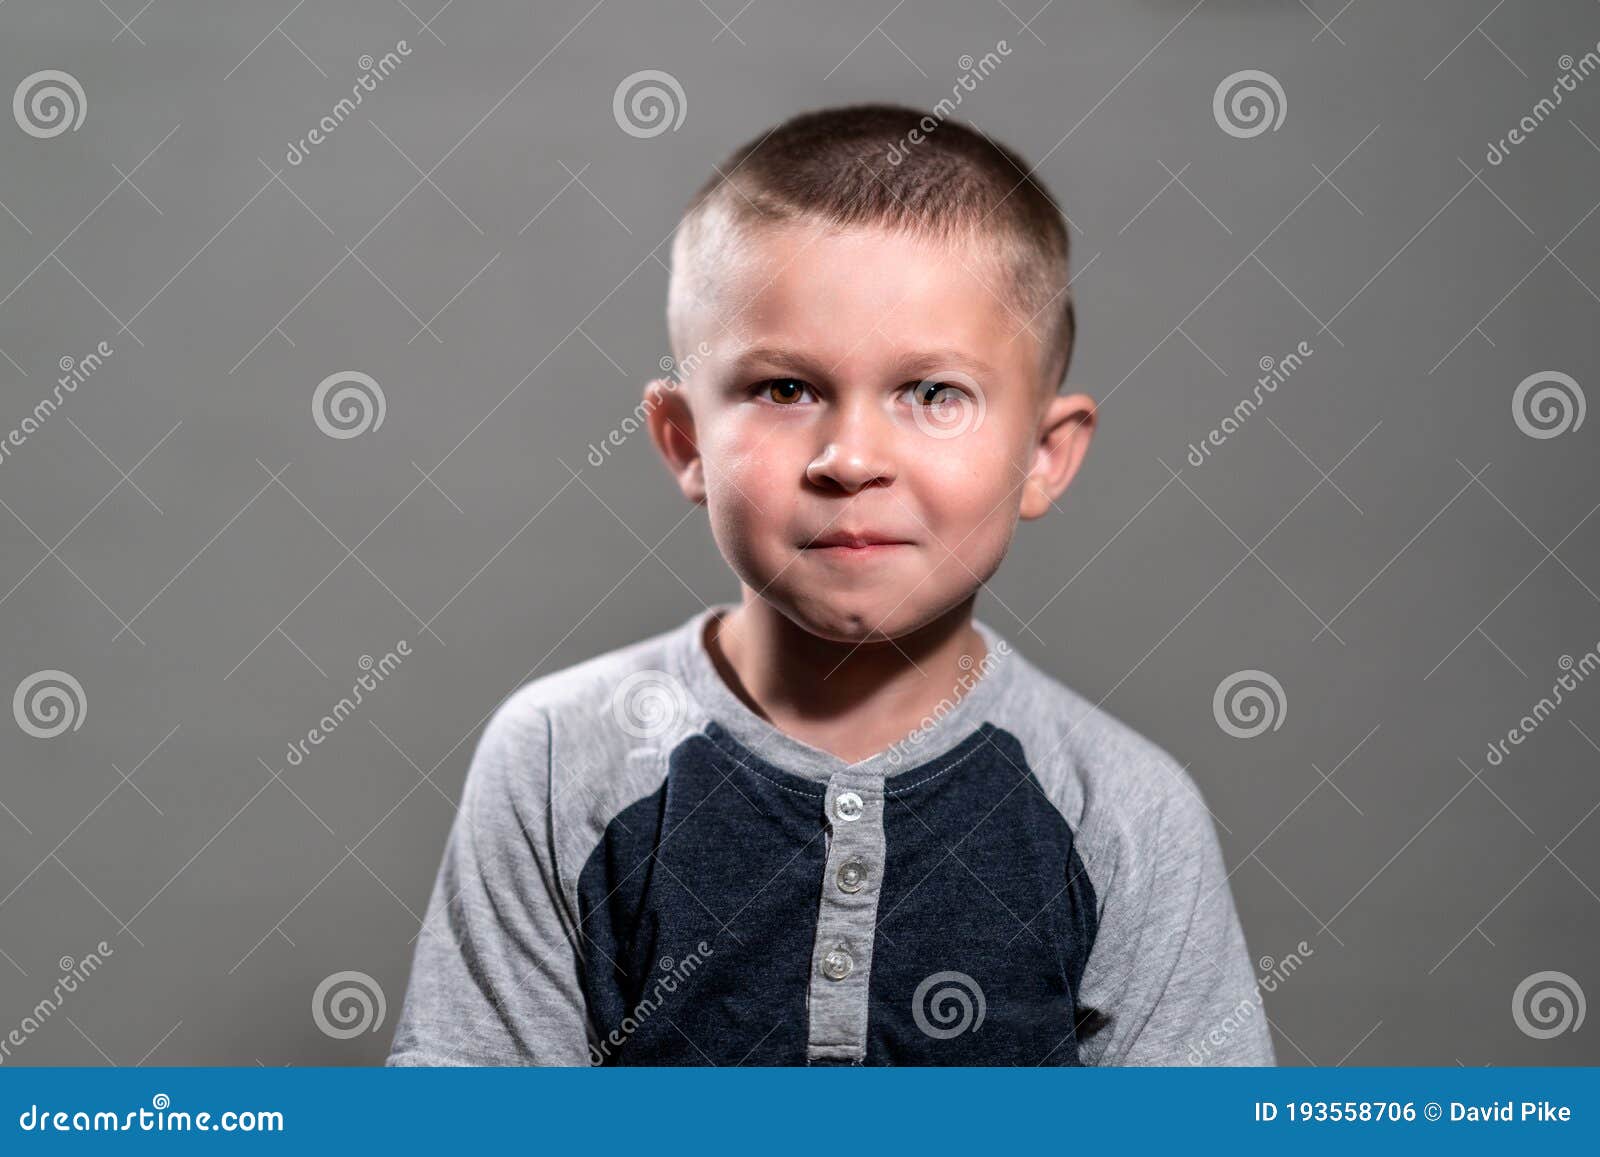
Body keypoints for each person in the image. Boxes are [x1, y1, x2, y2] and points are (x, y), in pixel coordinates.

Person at [387, 103, 1274, 1067]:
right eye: (786, 389)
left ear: (1044, 456)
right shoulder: (559, 760)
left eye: (933, 393)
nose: (851, 459)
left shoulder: (1126, 813)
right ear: (686, 443)